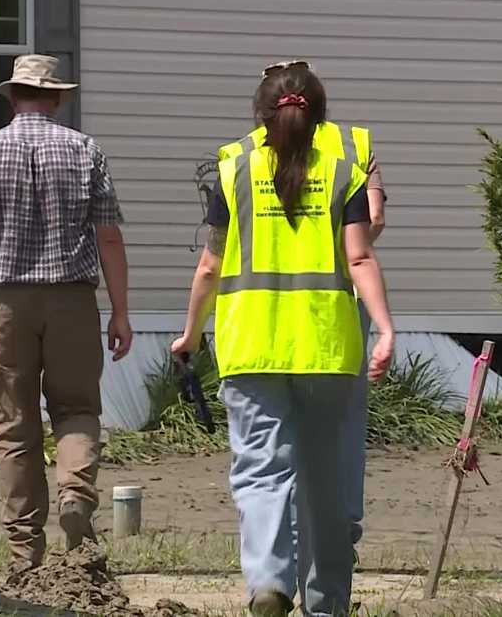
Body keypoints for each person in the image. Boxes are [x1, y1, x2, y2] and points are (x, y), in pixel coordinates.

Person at [172, 60, 395, 617]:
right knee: (325, 481)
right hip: (326, 344)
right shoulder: (347, 163)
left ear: (262, 112)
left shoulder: (233, 167)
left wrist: (190, 334)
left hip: (251, 342)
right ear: (319, 111)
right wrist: (385, 327)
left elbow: (210, 265)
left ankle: (269, 583)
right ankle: (327, 606)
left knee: (260, 469)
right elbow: (361, 250)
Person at [0, 54, 132, 583]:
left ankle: (24, 550)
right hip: (73, 298)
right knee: (76, 409)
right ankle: (75, 496)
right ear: (55, 98)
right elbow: (109, 237)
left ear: (11, 97)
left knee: (15, 428)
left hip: (7, 302)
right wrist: (120, 311)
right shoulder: (84, 150)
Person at [217, 61, 388, 558]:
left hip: (254, 316)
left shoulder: (241, 154)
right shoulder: (354, 146)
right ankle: (338, 538)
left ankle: (277, 556)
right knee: (337, 439)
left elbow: (221, 248)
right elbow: (372, 220)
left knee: (266, 447)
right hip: (335, 306)